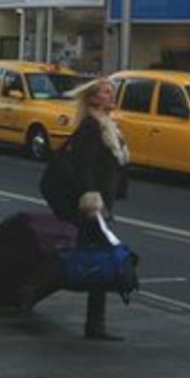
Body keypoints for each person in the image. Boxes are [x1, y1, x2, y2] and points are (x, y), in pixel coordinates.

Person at [69, 78, 129, 341]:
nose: (111, 96)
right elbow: (85, 165)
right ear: (93, 98)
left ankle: (95, 324)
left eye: (111, 92)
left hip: (104, 201)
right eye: (105, 92)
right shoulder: (91, 126)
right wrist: (92, 199)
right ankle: (95, 325)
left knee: (94, 257)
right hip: (95, 204)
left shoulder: (107, 124)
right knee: (97, 259)